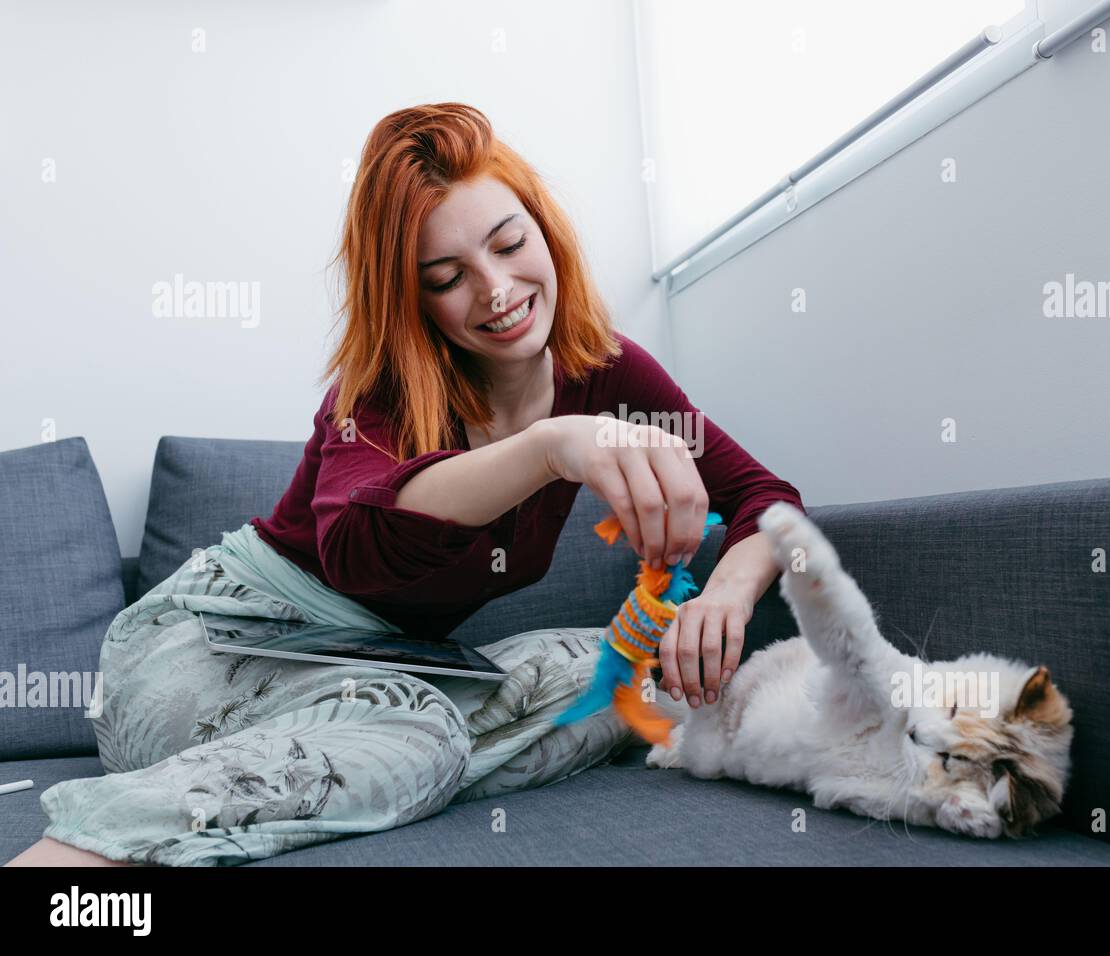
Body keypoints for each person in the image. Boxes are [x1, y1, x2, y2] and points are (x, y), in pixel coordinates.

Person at [6, 103, 805, 867]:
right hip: (205, 646)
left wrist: (726, 595)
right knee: (419, 734)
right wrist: (550, 446)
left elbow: (766, 495)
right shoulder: (379, 391)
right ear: (412, 299)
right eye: (446, 276)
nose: (495, 290)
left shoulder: (606, 371)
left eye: (508, 242)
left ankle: (374, 771)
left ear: (544, 230)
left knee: (629, 674)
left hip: (384, 675)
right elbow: (358, 548)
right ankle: (77, 855)